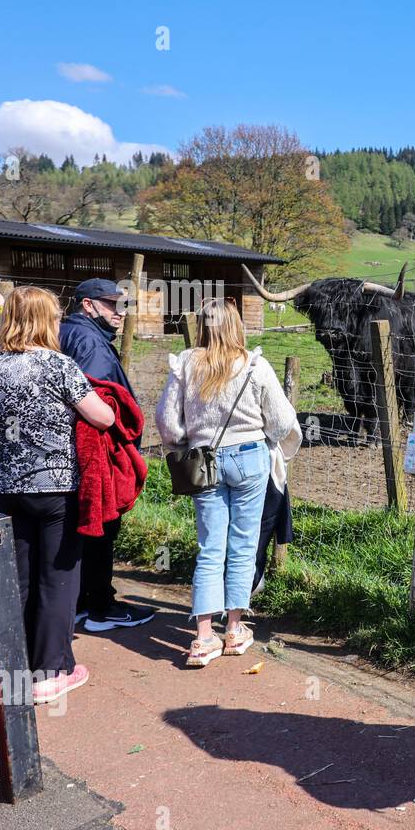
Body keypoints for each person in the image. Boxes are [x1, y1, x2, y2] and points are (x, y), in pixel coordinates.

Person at [0, 286, 115, 703]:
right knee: (59, 579)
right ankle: (52, 671)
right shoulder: (57, 365)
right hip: (55, 486)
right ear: (46, 320)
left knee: (20, 579)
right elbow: (102, 418)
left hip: (7, 489)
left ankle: (17, 664)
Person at [155, 298, 300, 668]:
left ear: (203, 326)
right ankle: (235, 630)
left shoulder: (186, 363)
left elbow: (168, 423)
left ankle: (203, 639)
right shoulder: (255, 365)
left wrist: (185, 444)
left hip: (205, 462)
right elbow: (282, 422)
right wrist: (261, 435)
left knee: (210, 547)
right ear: (237, 325)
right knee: (243, 544)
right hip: (250, 458)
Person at [59, 277, 155, 632]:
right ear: (88, 305)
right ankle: (101, 606)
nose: (120, 312)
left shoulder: (68, 331)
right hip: (95, 451)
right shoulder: (89, 342)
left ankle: (81, 601)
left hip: (67, 455)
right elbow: (97, 400)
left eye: (122, 305)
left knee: (77, 528)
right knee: (100, 522)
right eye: (112, 304)